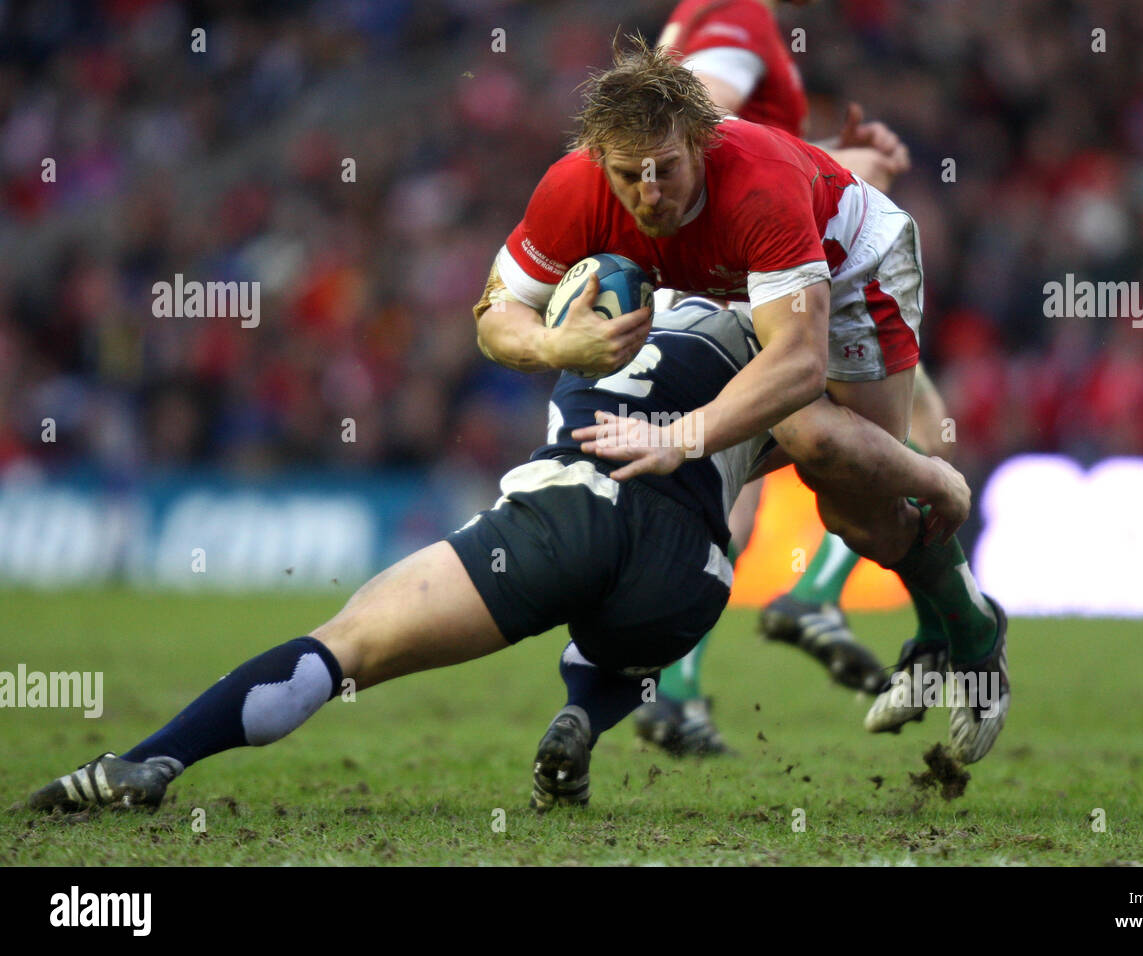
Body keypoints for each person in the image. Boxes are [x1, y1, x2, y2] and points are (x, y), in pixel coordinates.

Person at [27, 297, 828, 813]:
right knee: (626, 635)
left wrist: (553, 334)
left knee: (348, 647)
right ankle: (584, 711)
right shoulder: (786, 322)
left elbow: (500, 321)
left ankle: (146, 763)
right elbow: (827, 439)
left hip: (570, 510)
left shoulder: (596, 271)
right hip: (688, 576)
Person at [474, 37, 1009, 765]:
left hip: (852, 278)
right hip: (724, 293)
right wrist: (553, 348)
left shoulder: (756, 182)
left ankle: (968, 613)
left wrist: (685, 435)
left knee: (854, 501)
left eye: (667, 172)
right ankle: (632, 682)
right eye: (631, 177)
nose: (650, 194)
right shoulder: (575, 187)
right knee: (703, 474)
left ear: (702, 140)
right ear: (601, 161)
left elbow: (796, 361)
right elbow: (496, 315)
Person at [639, 0, 957, 756]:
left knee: (729, 494)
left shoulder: (697, 17)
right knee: (921, 433)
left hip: (731, 277)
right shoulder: (736, 13)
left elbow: (712, 147)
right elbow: (693, 143)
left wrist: (823, 157)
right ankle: (820, 598)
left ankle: (675, 687)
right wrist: (847, 170)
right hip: (749, 281)